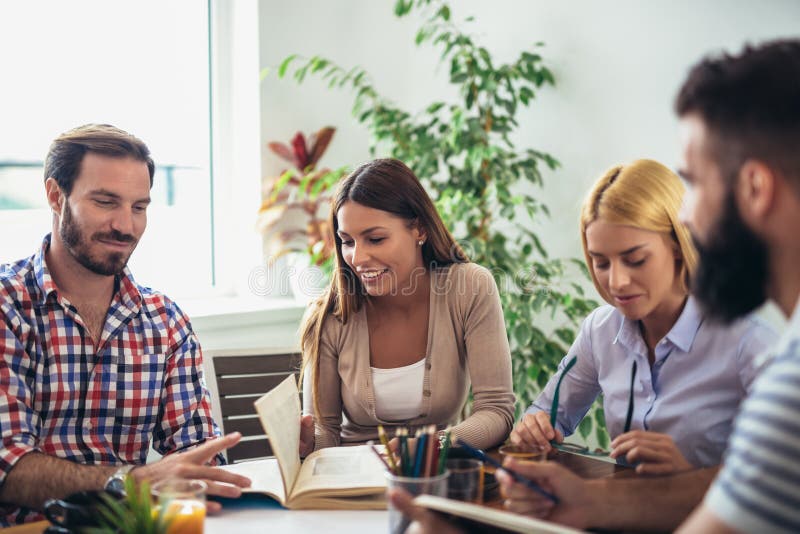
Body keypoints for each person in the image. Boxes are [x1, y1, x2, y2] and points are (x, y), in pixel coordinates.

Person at [391, 39, 800, 533]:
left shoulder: (774, 359)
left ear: (756, 189)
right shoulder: (607, 330)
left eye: (693, 183)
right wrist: (586, 501)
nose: (687, 213)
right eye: (601, 262)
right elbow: (746, 495)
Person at [0, 124, 250, 527]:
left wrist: (198, 475)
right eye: (105, 202)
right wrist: (131, 480)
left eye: (139, 207)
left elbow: (199, 455)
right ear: (54, 195)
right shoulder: (8, 307)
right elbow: (6, 466)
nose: (126, 226)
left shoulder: (165, 321)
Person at [510, 159, 773, 474]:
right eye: (601, 263)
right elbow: (546, 414)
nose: (616, 282)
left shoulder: (747, 342)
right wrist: (531, 429)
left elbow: (782, 476)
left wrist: (690, 474)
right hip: (620, 513)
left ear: (678, 244)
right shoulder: (600, 330)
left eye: (634, 259)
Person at [297, 158, 515, 456]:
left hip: (439, 474)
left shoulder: (469, 288)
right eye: (347, 241)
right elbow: (326, 431)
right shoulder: (330, 314)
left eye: (375, 239)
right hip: (353, 480)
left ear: (420, 230)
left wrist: (431, 447)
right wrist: (309, 444)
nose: (358, 258)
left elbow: (497, 411)